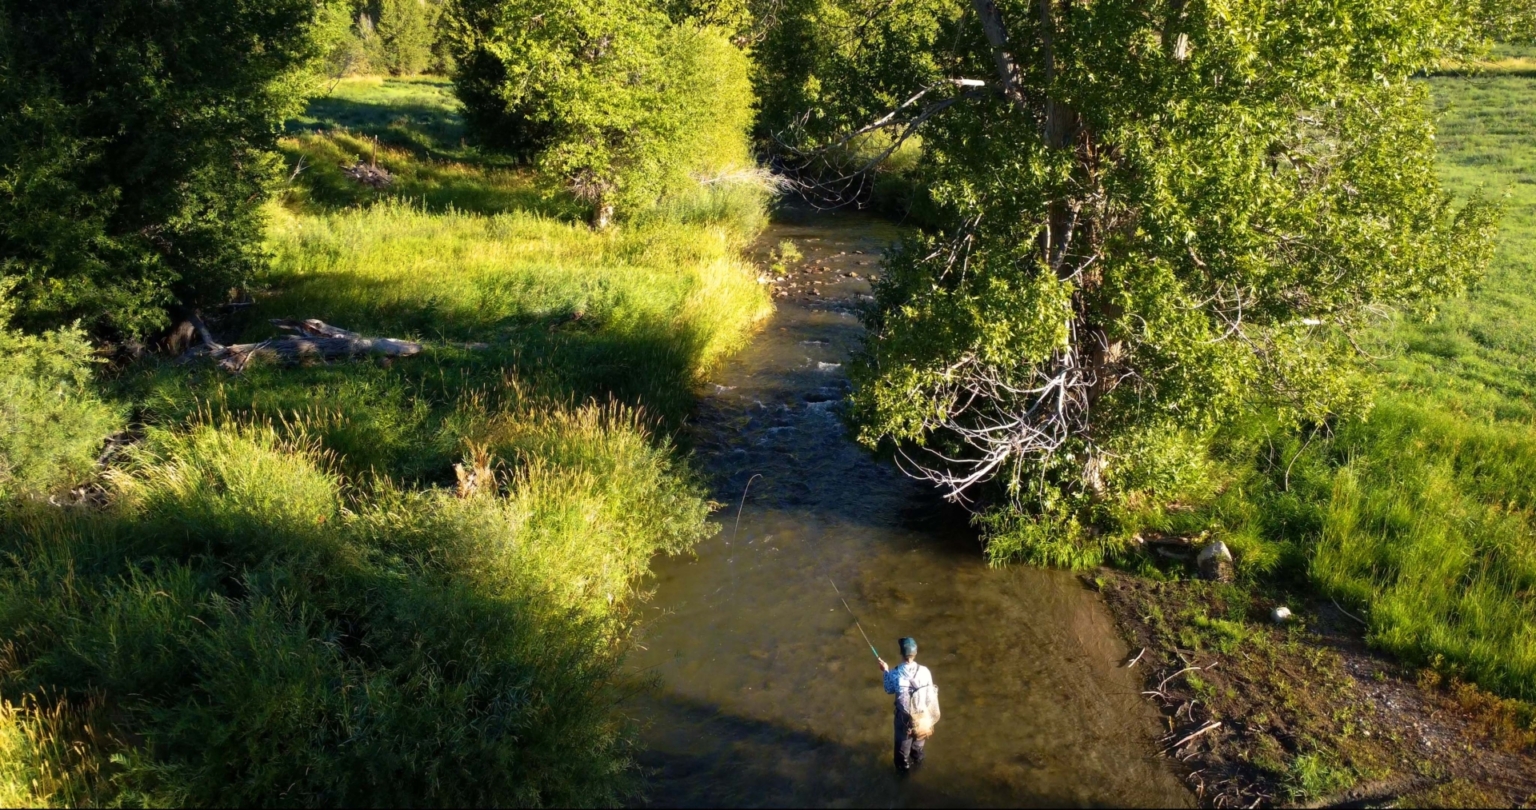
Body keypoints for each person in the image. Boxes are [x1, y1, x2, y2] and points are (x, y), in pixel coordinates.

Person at [879, 636, 935, 775]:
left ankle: (903, 777)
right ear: (915, 653)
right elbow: (929, 695)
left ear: (901, 654)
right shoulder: (925, 671)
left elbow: (888, 689)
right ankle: (919, 771)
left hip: (903, 719)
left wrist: (885, 671)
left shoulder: (895, 672)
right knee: (918, 749)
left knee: (901, 756)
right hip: (922, 717)